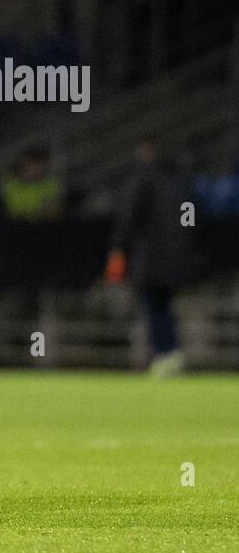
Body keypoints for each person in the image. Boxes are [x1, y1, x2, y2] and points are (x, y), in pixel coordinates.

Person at [107, 141, 198, 377]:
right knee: (165, 306)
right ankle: (172, 352)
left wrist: (118, 248)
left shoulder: (142, 179)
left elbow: (129, 217)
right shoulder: (181, 180)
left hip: (150, 256)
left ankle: (164, 354)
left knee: (154, 307)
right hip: (178, 256)